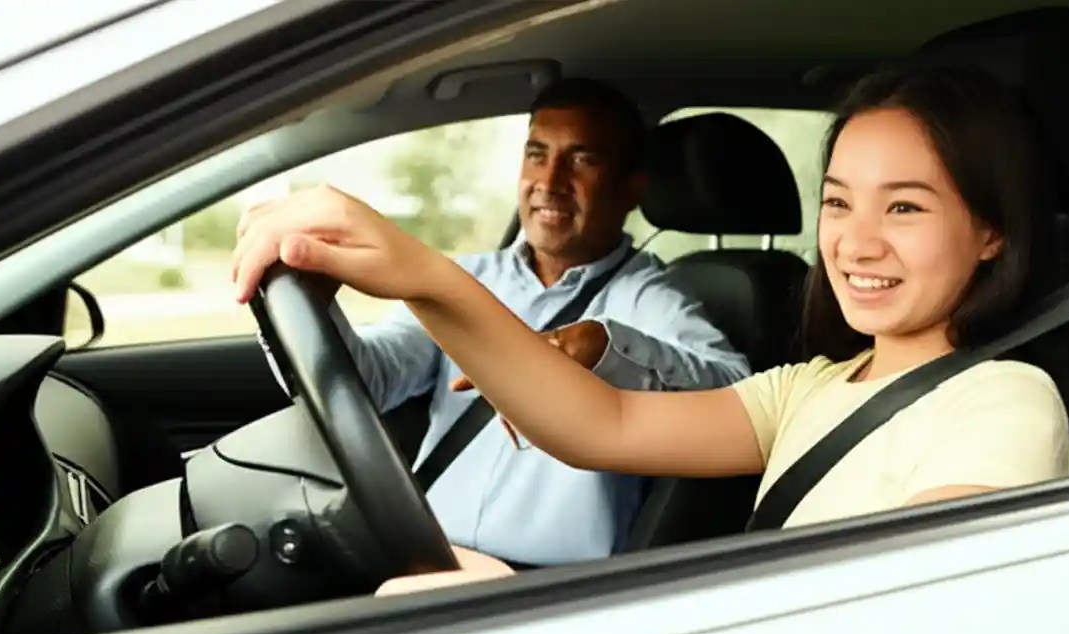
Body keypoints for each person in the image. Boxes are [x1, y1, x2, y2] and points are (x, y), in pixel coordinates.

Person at [231, 65, 1069, 596]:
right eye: (840, 201)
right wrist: (421, 275)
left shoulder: (1004, 402)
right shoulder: (808, 386)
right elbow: (602, 424)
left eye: (905, 207)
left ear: (992, 230)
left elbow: (908, 625)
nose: (856, 242)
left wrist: (550, 620)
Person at [242, 78, 751, 569]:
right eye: (537, 154)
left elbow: (739, 394)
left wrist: (603, 347)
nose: (550, 183)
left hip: (545, 588)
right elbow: (370, 379)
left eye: (582, 160)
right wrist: (311, 298)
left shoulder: (648, 296)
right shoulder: (464, 280)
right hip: (424, 557)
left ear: (629, 188)